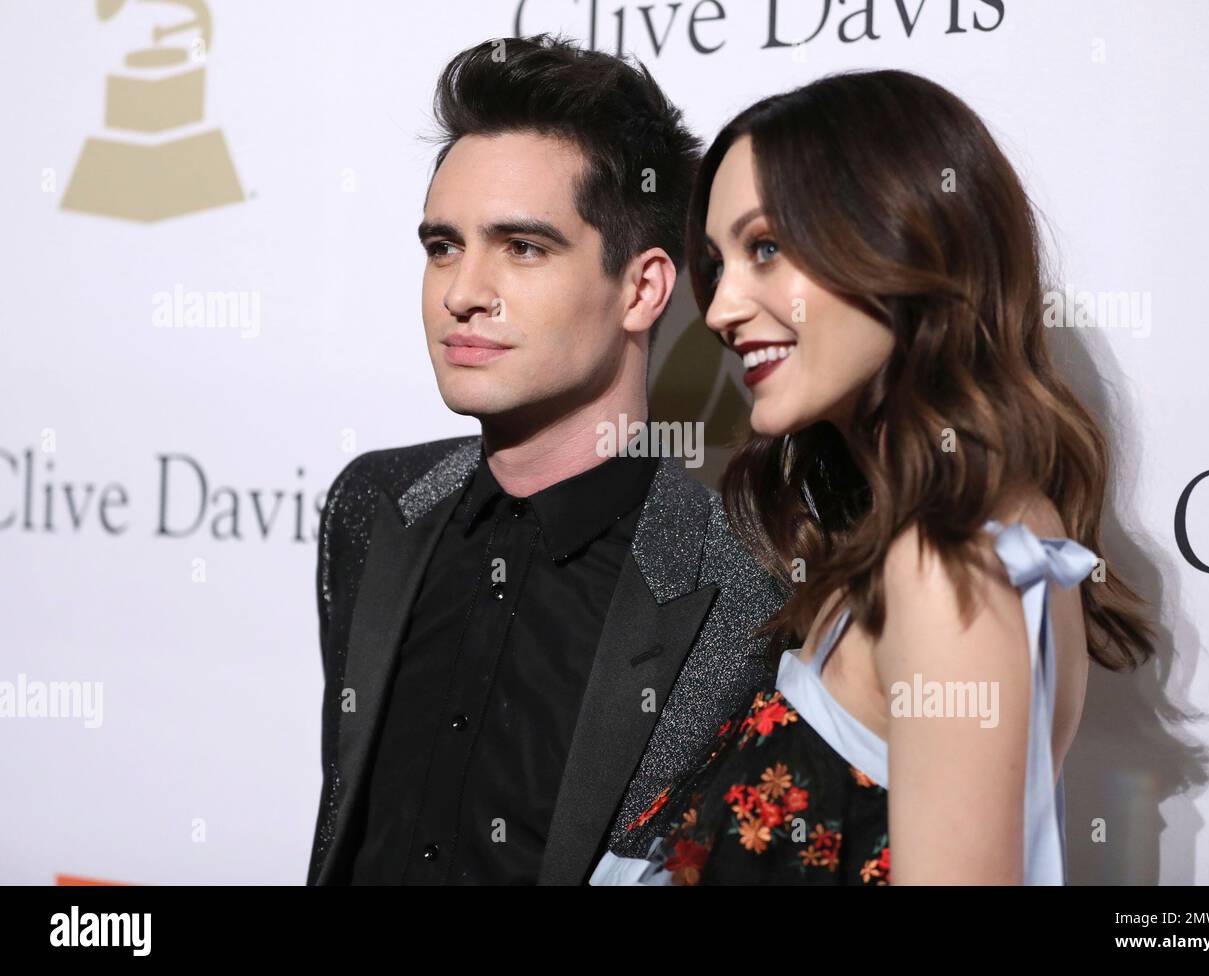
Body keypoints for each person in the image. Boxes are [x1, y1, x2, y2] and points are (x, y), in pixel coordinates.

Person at [590, 69, 1156, 885]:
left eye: (767, 248)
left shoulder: (947, 562)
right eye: (720, 262)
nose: (719, 309)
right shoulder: (927, 536)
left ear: (902, 237)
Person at [306, 34, 786, 886]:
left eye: (522, 247)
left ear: (642, 289)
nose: (461, 291)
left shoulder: (745, 582)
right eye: (443, 245)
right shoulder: (372, 505)